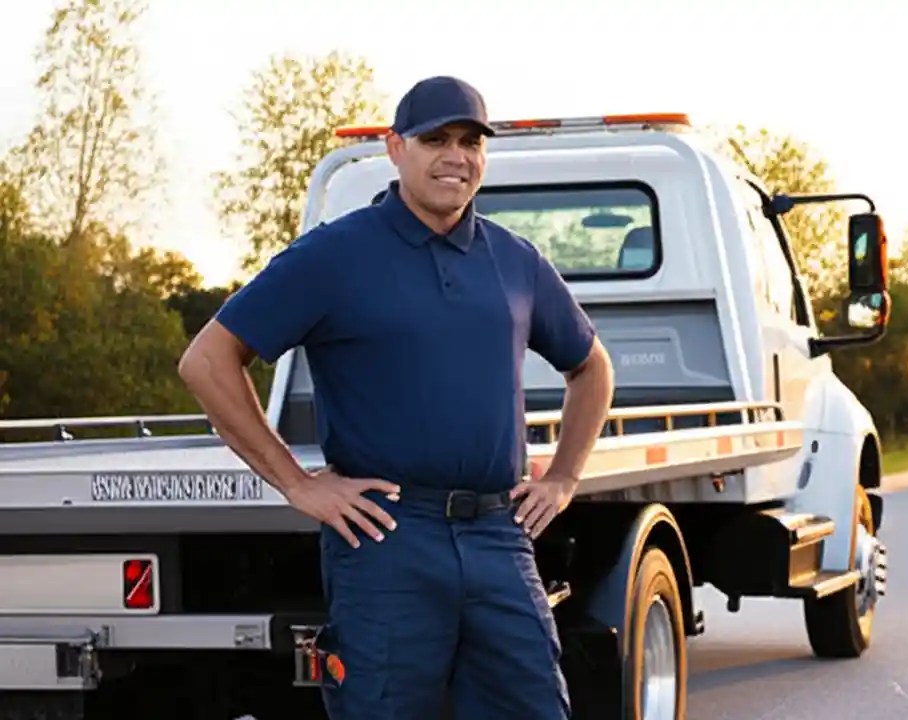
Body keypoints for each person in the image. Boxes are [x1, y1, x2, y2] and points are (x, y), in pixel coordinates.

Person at [177, 75, 615, 720]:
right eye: (435, 139)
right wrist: (299, 484)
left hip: (499, 536)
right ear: (394, 148)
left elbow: (592, 366)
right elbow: (208, 361)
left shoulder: (515, 261)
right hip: (388, 538)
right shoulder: (334, 254)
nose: (455, 156)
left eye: (470, 141)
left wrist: (566, 477)